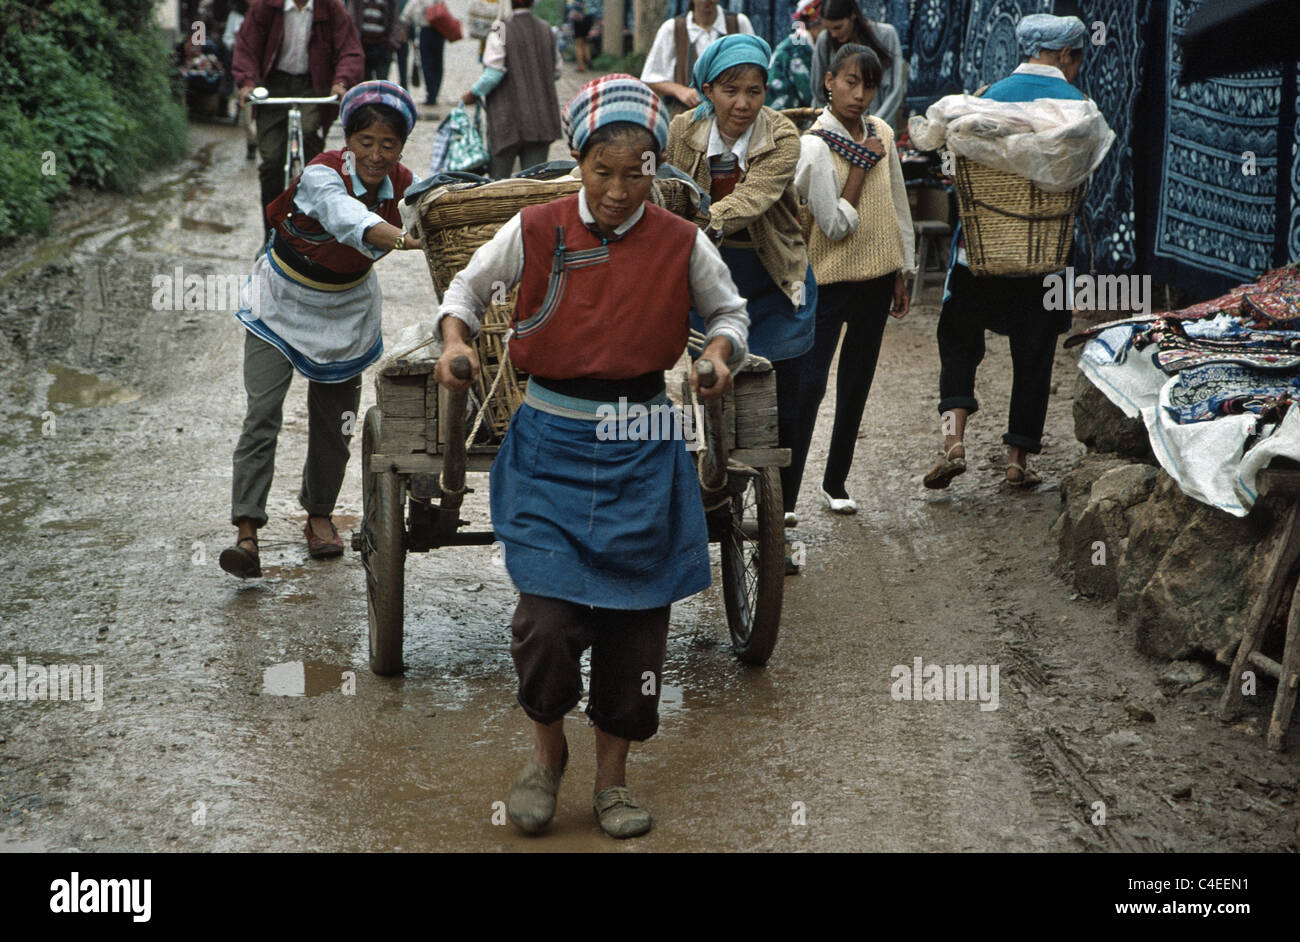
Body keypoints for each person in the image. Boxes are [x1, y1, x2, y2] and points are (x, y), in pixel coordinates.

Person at [433, 74, 749, 838]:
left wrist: (720, 356)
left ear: (655, 166)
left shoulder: (680, 239)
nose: (617, 188)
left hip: (644, 442)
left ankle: (613, 782)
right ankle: (547, 760)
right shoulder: (536, 228)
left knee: (636, 633)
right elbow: (465, 293)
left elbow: (729, 310)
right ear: (578, 160)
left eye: (635, 169)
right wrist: (453, 343)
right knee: (543, 625)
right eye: (601, 170)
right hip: (549, 442)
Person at [220, 81, 420, 579]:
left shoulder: (406, 183)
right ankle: (247, 532)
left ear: (401, 147)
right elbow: (346, 217)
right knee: (262, 413)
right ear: (347, 140)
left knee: (336, 425)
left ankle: (320, 517)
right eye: (365, 142)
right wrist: (403, 239)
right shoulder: (319, 174)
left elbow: (435, 208)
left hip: (345, 310)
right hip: (280, 303)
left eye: (388, 145)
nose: (376, 155)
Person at [662, 32, 817, 569]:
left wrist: (703, 221)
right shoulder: (682, 131)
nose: (744, 103)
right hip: (707, 279)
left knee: (785, 404)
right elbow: (666, 184)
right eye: (731, 90)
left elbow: (757, 196)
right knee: (711, 388)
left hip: (774, 277)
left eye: (754, 90)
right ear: (708, 89)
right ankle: (713, 491)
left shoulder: (782, 136)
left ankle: (780, 519)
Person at [922, 13, 1090, 492]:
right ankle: (1017, 461)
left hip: (980, 256)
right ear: (1064, 56)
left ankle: (952, 441)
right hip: (1046, 256)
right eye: (1075, 59)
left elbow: (954, 172)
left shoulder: (982, 100)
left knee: (957, 340)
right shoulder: (1079, 109)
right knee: (1035, 353)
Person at [793, 44, 914, 514]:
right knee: (809, 387)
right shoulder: (814, 144)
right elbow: (832, 226)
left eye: (869, 85)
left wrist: (904, 271)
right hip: (827, 283)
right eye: (850, 82)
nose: (860, 94)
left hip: (877, 280)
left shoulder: (881, 132)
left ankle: (836, 483)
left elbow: (897, 207)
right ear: (829, 81)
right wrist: (861, 163)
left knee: (857, 382)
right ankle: (786, 493)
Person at [233, 0, 364, 213]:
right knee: (271, 162)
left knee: (309, 133)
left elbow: (350, 50)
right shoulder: (266, 6)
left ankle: (311, 221)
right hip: (272, 84)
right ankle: (271, 234)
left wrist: (341, 82)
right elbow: (246, 47)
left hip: (312, 84)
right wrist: (247, 82)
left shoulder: (330, 8)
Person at [460, 0, 562, 179]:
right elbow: (556, 71)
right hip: (542, 120)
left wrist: (472, 94)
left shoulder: (501, 29)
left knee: (499, 184)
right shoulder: (547, 29)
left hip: (507, 121)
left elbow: (493, 74)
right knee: (536, 184)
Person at [641, 0, 754, 115]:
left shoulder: (738, 23)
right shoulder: (673, 28)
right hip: (687, 119)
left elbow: (756, 72)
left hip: (733, 117)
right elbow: (649, 78)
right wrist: (680, 90)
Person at [809, 0, 904, 129]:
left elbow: (894, 90)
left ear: (853, 16)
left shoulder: (886, 35)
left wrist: (873, 128)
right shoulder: (825, 41)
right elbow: (819, 93)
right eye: (828, 29)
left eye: (838, 27)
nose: (834, 34)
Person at [765, 0, 824, 111]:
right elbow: (809, 94)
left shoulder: (798, 41)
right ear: (817, 25)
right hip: (783, 115)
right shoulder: (800, 47)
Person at [224, 1, 259, 159]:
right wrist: (236, 45)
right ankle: (252, 142)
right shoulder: (236, 16)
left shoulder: (268, 12)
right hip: (244, 69)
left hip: (263, 70)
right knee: (247, 109)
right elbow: (227, 37)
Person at [401, 0, 443, 106]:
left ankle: (432, 94)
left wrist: (404, 33)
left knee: (428, 64)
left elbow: (405, 17)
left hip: (427, 31)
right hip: (438, 31)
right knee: (436, 63)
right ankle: (434, 92)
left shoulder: (416, 2)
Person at [348, 0, 402, 81]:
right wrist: (355, 43)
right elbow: (352, 18)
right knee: (365, 83)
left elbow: (395, 18)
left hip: (383, 45)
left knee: (382, 81)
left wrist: (392, 43)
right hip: (363, 45)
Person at [566, 0, 593, 72]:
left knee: (578, 45)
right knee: (586, 42)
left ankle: (581, 66)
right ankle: (588, 60)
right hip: (589, 16)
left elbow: (569, 5)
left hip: (578, 17)